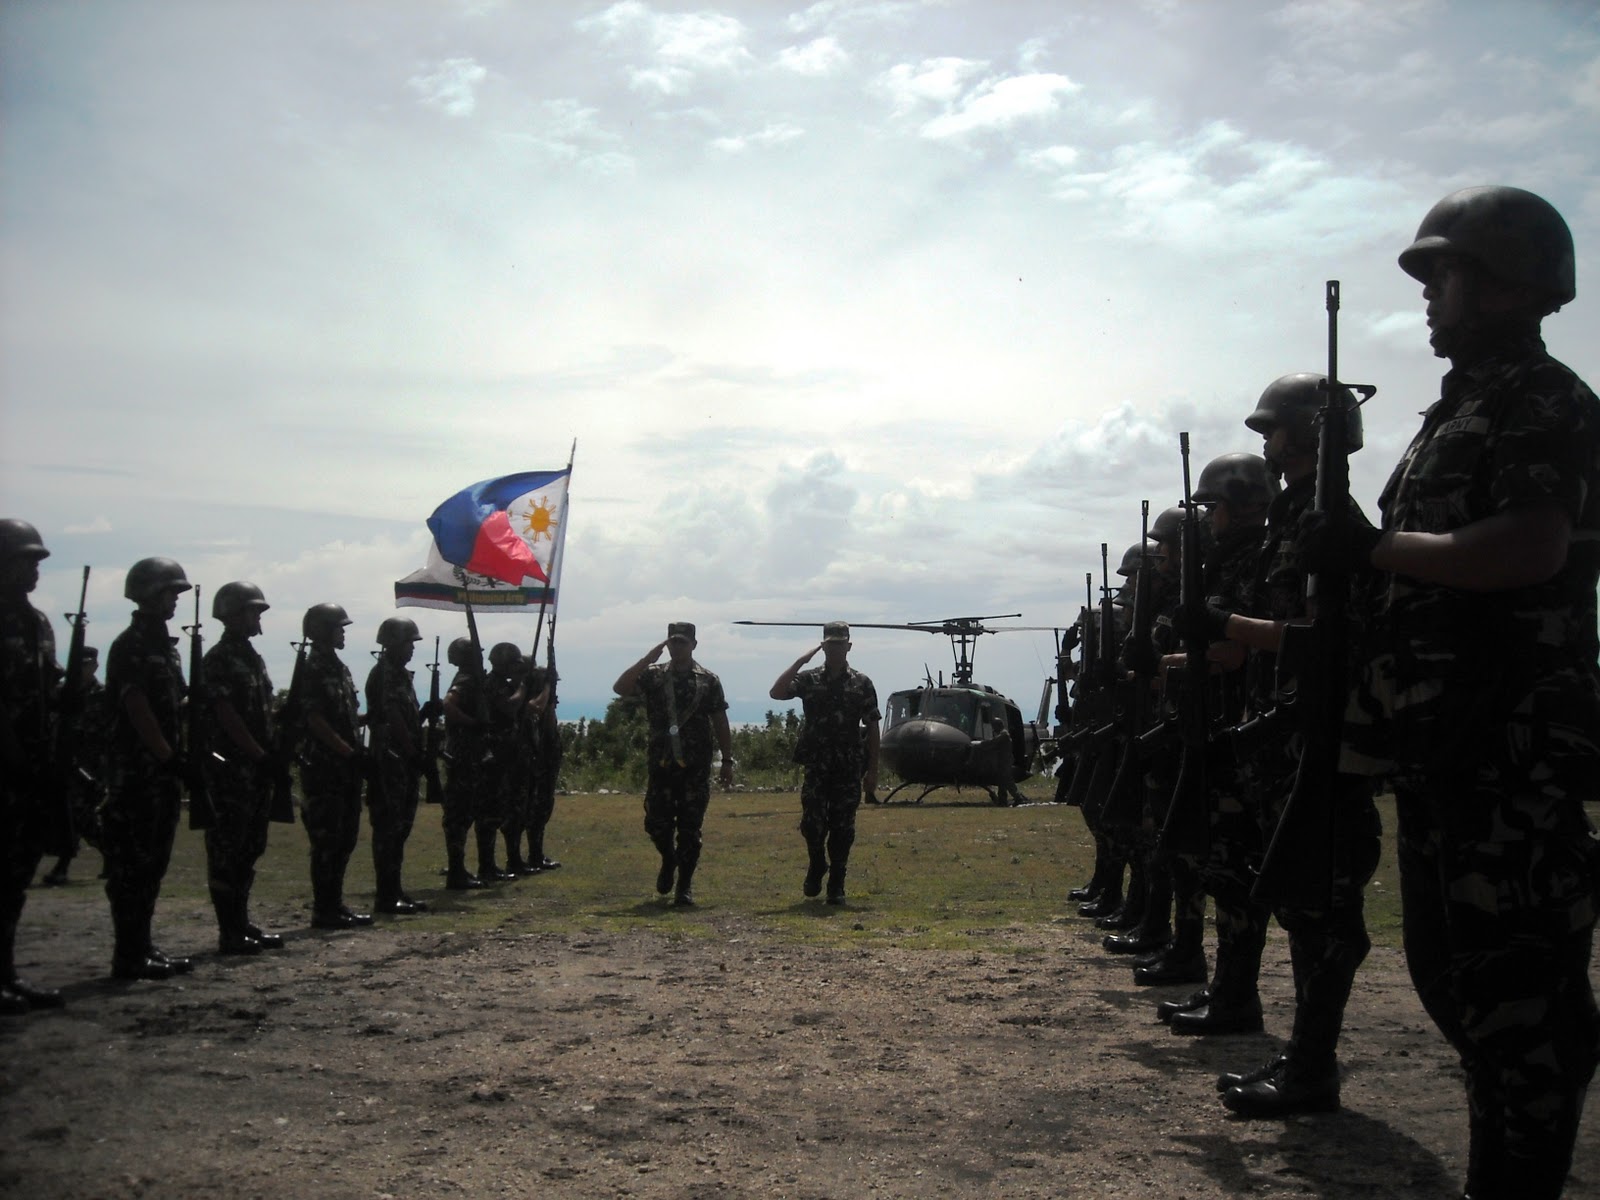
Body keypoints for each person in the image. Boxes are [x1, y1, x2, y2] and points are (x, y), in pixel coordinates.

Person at [1311, 185, 1599, 1199]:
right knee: (1459, 987)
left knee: (1519, 1003)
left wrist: (1372, 546)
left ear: (1508, 280)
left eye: (1447, 272)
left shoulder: (1541, 398)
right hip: (1445, 744)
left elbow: (1527, 545)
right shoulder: (1456, 414)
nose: (1430, 295)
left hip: (1508, 749)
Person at [1207, 374, 1383, 1116]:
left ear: (1311, 433)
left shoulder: (1331, 524)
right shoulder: (1297, 525)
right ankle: (1305, 1059)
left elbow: (1320, 641)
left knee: (1322, 913)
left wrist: (1224, 628)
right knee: (1300, 908)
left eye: (1275, 428)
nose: (1266, 442)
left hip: (1318, 741)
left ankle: (1312, 1066)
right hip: (1282, 741)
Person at [1158, 452, 1277, 1036]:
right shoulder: (1229, 561)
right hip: (1221, 730)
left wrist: (1183, 649)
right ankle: (1227, 989)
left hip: (1241, 735)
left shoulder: (1254, 559)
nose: (1209, 520)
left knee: (1234, 871)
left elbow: (1235, 651)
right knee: (1220, 867)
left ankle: (1236, 997)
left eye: (1214, 506)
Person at [103, 556, 195, 980]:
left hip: (160, 773)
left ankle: (141, 946)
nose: (175, 601)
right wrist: (167, 755)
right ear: (148, 594)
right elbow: (135, 703)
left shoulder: (163, 646)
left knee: (152, 863)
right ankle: (128, 953)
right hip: (138, 773)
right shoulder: (133, 644)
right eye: (170, 593)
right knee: (133, 865)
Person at [612, 622, 733, 906]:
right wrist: (647, 659)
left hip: (695, 765)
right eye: (673, 642)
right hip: (662, 763)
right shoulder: (653, 676)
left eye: (683, 642)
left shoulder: (708, 680)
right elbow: (621, 688)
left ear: (693, 644)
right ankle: (669, 859)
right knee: (656, 823)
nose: (677, 647)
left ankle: (684, 887)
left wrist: (727, 760)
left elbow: (719, 720)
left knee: (691, 828)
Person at [0, 519, 67, 1011]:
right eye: (25, 559)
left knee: (15, 876)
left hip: (33, 767)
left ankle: (6, 973)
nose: (35, 569)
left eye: (37, 560)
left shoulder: (39, 622)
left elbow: (49, 690)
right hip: (6, 765)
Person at [201, 581, 287, 954]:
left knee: (250, 847)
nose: (257, 618)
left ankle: (241, 921)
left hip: (255, 770)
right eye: (252, 611)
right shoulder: (218, 659)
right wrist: (257, 754)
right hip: (232, 769)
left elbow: (259, 711)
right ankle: (229, 930)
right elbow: (225, 713)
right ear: (233, 614)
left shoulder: (252, 658)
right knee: (227, 849)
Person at [768, 621, 880, 904]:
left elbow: (873, 727)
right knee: (812, 824)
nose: (834, 649)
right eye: (829, 645)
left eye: (839, 644)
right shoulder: (809, 679)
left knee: (843, 827)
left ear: (848, 646)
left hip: (848, 765)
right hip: (817, 765)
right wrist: (799, 661)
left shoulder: (861, 683)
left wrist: (873, 771)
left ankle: (837, 884)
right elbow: (776, 692)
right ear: (823, 646)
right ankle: (817, 863)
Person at [298, 602, 371, 930]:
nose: (343, 633)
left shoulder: (339, 668)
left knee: (345, 838)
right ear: (321, 631)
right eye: (338, 627)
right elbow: (313, 719)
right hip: (325, 768)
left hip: (345, 769)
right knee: (327, 840)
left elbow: (345, 717)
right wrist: (347, 751)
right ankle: (323, 908)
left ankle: (334, 903)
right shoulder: (313, 668)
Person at [365, 617, 428, 915]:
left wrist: (424, 715)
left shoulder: (401, 676)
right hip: (390, 759)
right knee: (389, 828)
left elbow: (406, 716)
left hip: (403, 760)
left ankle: (394, 890)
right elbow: (391, 715)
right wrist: (411, 750)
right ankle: (386, 895)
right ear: (391, 643)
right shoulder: (385, 675)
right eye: (407, 643)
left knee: (400, 828)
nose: (411, 649)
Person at [41, 644, 108, 886]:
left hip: (91, 766)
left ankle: (66, 864)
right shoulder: (61, 694)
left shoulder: (103, 695)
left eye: (87, 665)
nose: (83, 670)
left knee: (81, 815)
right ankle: (106, 855)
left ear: (95, 666)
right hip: (62, 762)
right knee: (67, 814)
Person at [441, 636, 488, 890]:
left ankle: (458, 869)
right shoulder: (466, 679)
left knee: (464, 813)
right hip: (464, 755)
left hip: (468, 754)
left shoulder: (471, 679)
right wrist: (472, 723)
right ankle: (456, 871)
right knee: (459, 814)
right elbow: (449, 704)